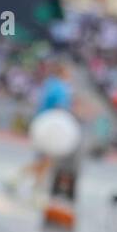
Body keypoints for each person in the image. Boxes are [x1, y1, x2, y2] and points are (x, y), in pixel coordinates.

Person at [6, 60, 74, 200]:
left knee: (45, 161)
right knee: (46, 161)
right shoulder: (60, 88)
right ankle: (21, 179)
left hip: (43, 125)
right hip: (51, 129)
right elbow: (59, 108)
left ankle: (33, 187)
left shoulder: (49, 84)